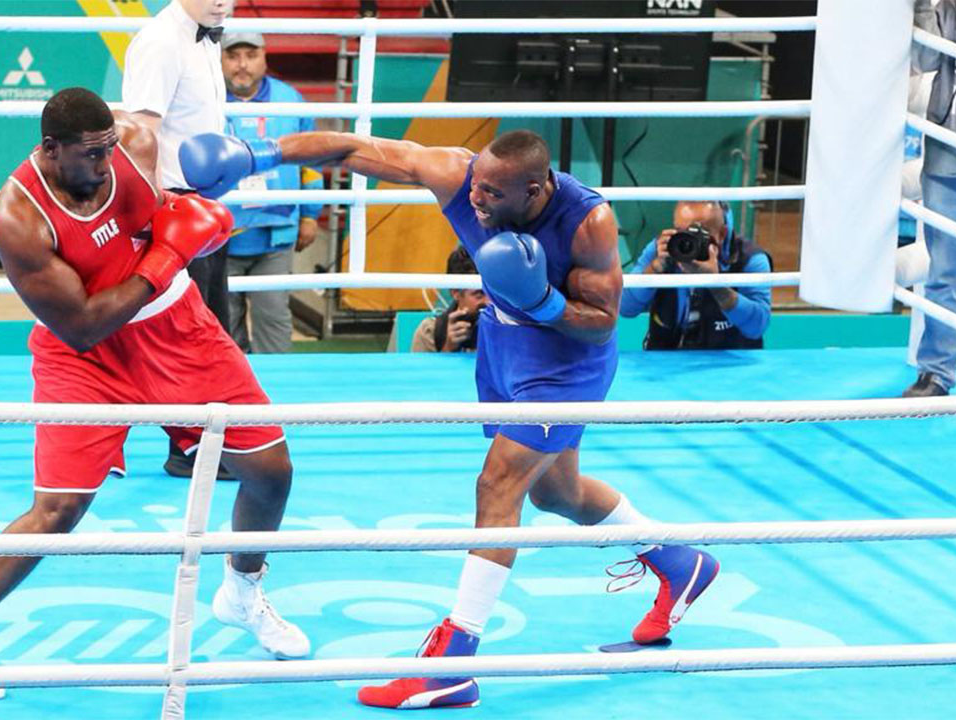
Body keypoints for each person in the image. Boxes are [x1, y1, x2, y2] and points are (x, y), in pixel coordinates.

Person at [179, 128, 719, 709]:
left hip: (567, 364)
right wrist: (260, 155)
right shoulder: (458, 175)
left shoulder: (588, 222)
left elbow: (604, 320)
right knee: (557, 495)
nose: (476, 200)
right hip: (505, 349)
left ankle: (452, 663)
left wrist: (542, 301)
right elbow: (350, 148)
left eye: (491, 194)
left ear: (534, 190)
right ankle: (679, 561)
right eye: (476, 187)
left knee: (498, 485)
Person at [0, 88, 310, 700]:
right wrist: (170, 253)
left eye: (109, 150)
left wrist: (183, 212)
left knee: (270, 470)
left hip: (179, 330)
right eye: (90, 155)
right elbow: (83, 324)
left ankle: (242, 590)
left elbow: (158, 218)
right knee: (58, 511)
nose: (104, 165)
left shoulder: (136, 145)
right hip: (85, 356)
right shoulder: (16, 219)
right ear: (51, 149)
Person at [121, 0, 238, 477]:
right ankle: (188, 445)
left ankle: (202, 440)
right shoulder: (160, 42)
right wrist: (154, 213)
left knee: (210, 327)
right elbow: (139, 133)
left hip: (205, 205)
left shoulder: (207, 35)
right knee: (181, 332)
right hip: (173, 207)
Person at [221, 31, 324, 354]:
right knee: (222, 330)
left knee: (274, 324)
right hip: (220, 233)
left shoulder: (290, 100)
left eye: (250, 56)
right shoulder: (203, 99)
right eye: (233, 56)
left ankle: (276, 401)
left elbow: (312, 160)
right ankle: (229, 399)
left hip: (275, 232)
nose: (242, 65)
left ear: (264, 57)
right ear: (219, 59)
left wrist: (310, 215)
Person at [903, 0, 956, 397]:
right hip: (950, 161)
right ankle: (936, 373)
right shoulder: (941, 9)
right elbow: (922, 58)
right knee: (943, 277)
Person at [619, 201, 772, 349]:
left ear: (722, 233)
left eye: (698, 233)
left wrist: (716, 285)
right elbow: (625, 308)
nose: (686, 241)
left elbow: (757, 327)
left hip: (729, 364)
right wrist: (653, 270)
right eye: (680, 231)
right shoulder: (662, 248)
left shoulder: (751, 259)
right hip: (665, 361)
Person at [411, 246, 489, 353]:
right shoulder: (430, 332)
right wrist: (449, 347)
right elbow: (423, 370)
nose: (489, 302)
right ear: (456, 293)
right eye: (479, 294)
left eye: (494, 294)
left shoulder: (510, 326)